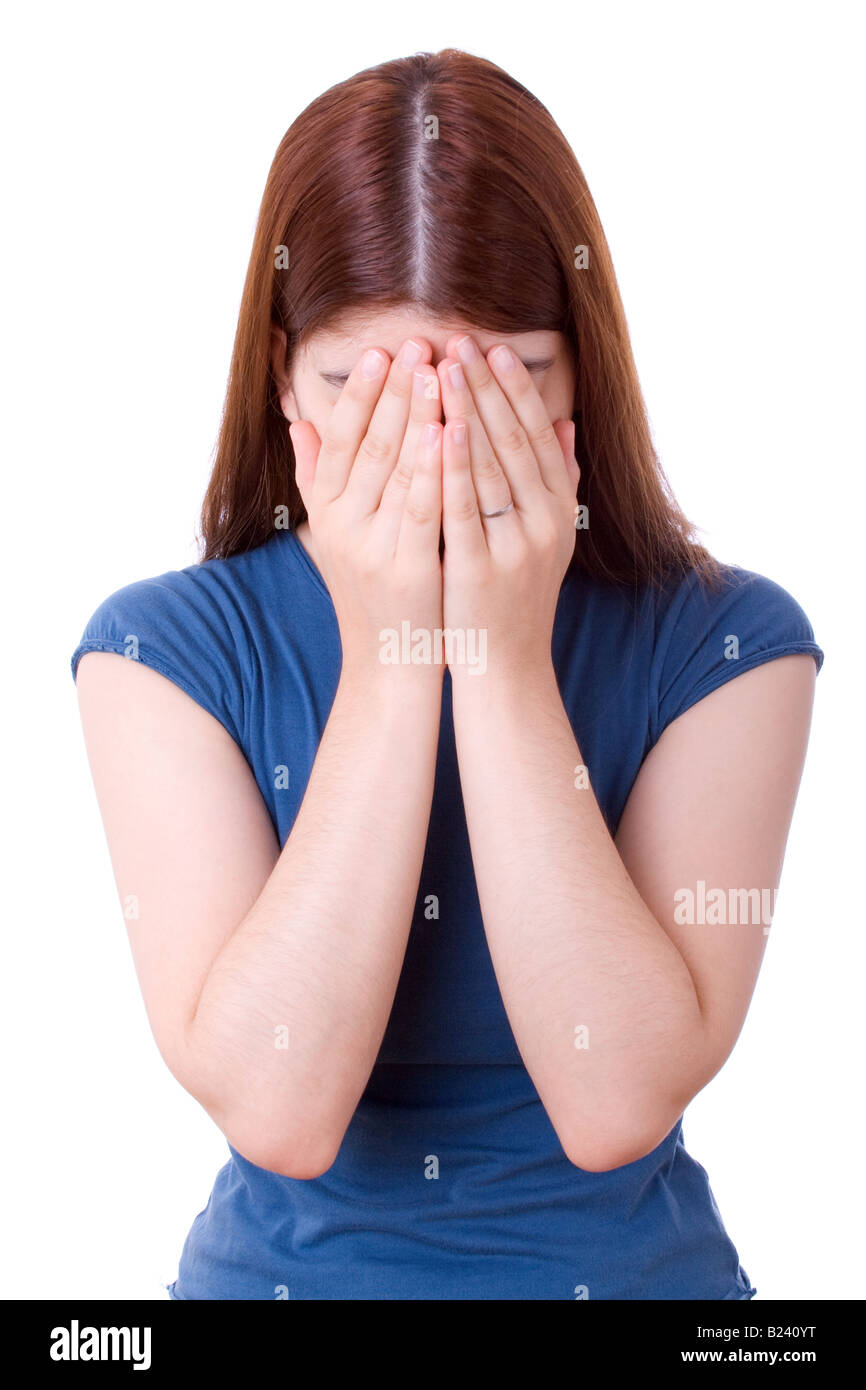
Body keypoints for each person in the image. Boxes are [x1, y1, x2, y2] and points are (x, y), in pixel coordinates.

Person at [70, 49, 823, 1300]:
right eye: (359, 393)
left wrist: (498, 654)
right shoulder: (161, 651)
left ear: (579, 370)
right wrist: (390, 655)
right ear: (280, 379)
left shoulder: (727, 643)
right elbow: (278, 1104)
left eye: (502, 388)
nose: (430, 453)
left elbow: (614, 1099)